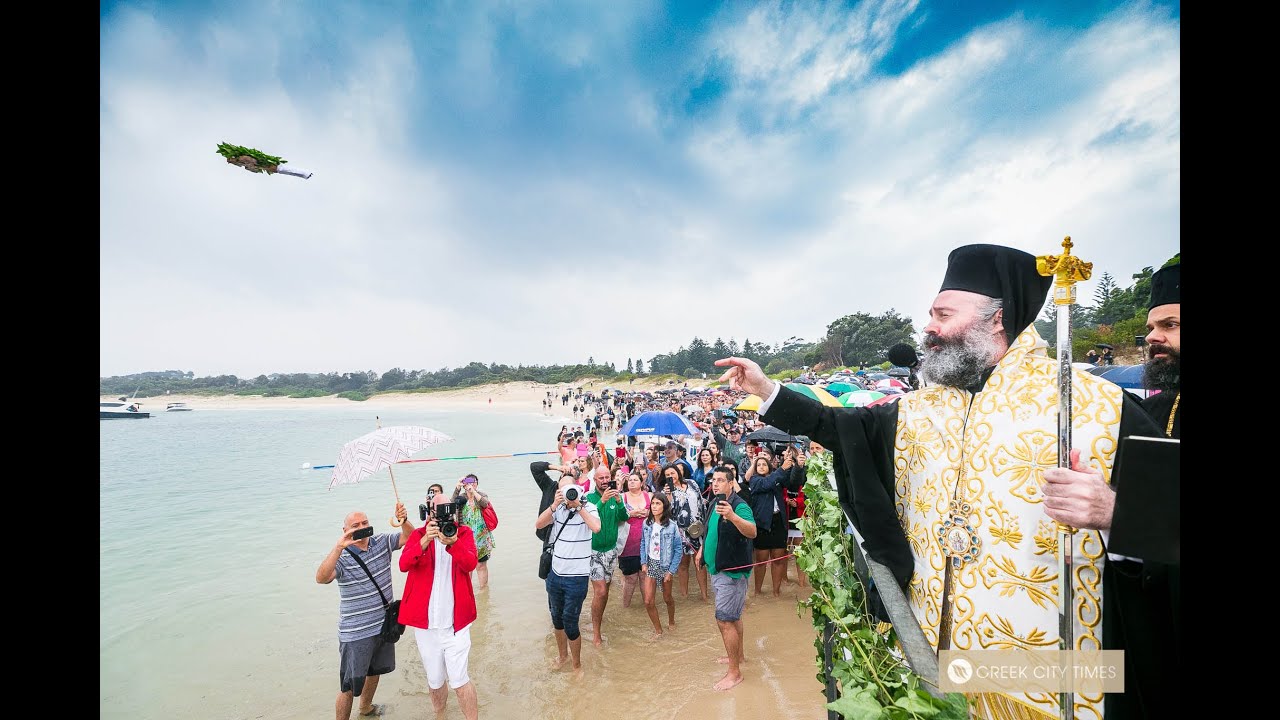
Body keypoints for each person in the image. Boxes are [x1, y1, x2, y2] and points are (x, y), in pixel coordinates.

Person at [715, 244, 1162, 719]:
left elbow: (1169, 527)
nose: (928, 326)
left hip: (1052, 682)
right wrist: (767, 391)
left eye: (943, 314)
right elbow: (839, 428)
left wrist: (1116, 511)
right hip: (933, 666)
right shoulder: (921, 407)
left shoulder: (1096, 408)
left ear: (996, 319)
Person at [1041, 262, 1180, 720]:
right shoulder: (1161, 409)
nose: (1153, 338)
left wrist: (1120, 511)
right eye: (1150, 328)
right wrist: (1101, 539)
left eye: (1171, 325)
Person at [314, 503, 413, 720]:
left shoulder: (382, 541)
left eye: (365, 523)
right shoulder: (341, 557)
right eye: (355, 525)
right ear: (345, 530)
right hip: (356, 632)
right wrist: (339, 547)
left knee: (375, 672)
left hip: (384, 626)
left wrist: (403, 520)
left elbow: (411, 538)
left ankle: (366, 708)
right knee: (348, 685)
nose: (362, 527)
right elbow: (321, 578)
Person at [399, 494, 480, 720]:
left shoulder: (463, 534)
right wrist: (425, 540)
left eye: (448, 509)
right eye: (439, 509)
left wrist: (454, 544)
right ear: (429, 511)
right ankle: (440, 715)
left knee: (460, 680)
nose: (445, 514)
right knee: (434, 680)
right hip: (426, 627)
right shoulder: (417, 535)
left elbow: (470, 564)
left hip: (457, 624)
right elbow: (403, 564)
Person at [534, 473, 602, 676]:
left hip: (577, 576)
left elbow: (596, 527)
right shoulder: (557, 509)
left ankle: (576, 666)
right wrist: (555, 505)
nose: (566, 493)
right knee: (556, 618)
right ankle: (562, 656)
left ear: (579, 488)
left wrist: (578, 506)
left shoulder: (588, 507)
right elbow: (538, 525)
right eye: (561, 490)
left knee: (570, 621)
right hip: (555, 573)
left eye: (569, 489)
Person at [696, 467, 756, 691]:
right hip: (717, 568)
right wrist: (702, 549)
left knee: (724, 620)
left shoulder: (740, 505)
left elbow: (752, 531)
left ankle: (734, 673)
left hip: (731, 573)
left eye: (721, 480)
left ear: (732, 483)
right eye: (714, 480)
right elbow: (710, 529)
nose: (716, 483)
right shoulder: (715, 501)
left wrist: (732, 516)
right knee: (734, 616)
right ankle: (738, 658)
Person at [585, 464, 630, 647]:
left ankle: (598, 620)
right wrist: (602, 501)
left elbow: (625, 517)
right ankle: (596, 634)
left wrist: (619, 502)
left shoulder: (614, 496)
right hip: (593, 551)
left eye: (606, 478)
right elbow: (589, 517)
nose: (604, 481)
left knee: (605, 593)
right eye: (601, 478)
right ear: (594, 480)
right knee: (601, 591)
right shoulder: (588, 498)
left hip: (611, 550)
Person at [640, 492, 683, 637]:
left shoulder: (672, 526)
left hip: (665, 566)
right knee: (648, 601)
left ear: (664, 506)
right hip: (651, 564)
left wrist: (671, 571)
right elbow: (643, 542)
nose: (654, 506)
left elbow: (678, 550)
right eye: (653, 503)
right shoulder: (646, 523)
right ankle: (658, 630)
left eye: (658, 503)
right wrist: (643, 562)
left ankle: (671, 621)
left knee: (667, 598)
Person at [452, 474, 496, 589]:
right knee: (467, 566)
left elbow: (485, 503)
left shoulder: (481, 495)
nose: (471, 484)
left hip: (482, 536)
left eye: (474, 482)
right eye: (468, 482)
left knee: (481, 565)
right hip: (465, 536)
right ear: (464, 484)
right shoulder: (461, 497)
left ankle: (483, 591)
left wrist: (473, 492)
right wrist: (457, 488)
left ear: (477, 483)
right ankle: (467, 589)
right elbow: (451, 506)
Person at [619, 470, 651, 607]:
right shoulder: (621, 497)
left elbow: (661, 511)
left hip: (647, 542)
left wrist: (648, 512)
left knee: (645, 576)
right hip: (628, 542)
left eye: (635, 480)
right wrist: (631, 513)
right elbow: (617, 516)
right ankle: (625, 607)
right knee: (630, 578)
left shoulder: (649, 495)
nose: (632, 481)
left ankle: (648, 606)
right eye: (630, 480)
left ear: (642, 482)